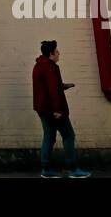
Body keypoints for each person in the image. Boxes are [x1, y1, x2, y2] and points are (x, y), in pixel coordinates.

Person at [32, 40, 90, 178]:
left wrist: (63, 85)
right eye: (57, 51)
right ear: (51, 54)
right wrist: (57, 110)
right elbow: (52, 90)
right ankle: (73, 169)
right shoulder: (51, 67)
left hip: (42, 108)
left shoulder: (39, 66)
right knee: (69, 135)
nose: (59, 54)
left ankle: (46, 169)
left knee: (49, 137)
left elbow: (47, 86)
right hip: (53, 109)